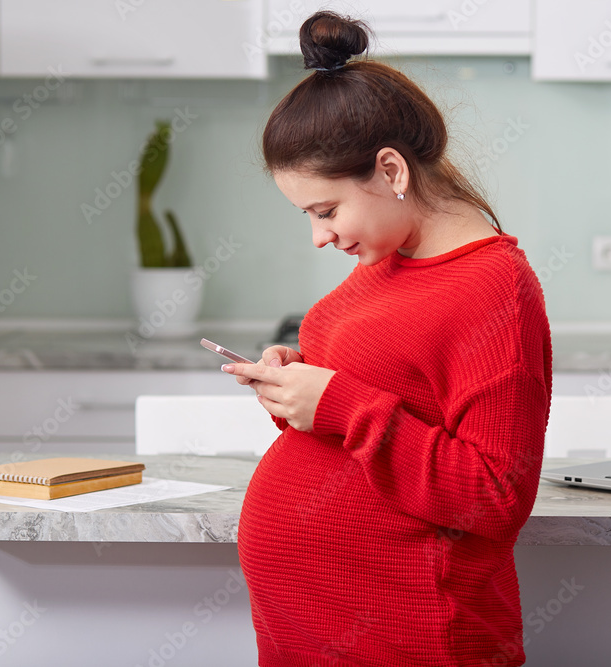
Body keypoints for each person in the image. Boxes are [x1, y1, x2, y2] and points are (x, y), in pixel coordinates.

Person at [223, 10, 552, 666]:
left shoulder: (495, 287)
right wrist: (296, 383)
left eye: (325, 210)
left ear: (391, 171)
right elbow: (378, 401)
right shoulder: (386, 260)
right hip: (314, 625)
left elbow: (496, 496)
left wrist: (337, 403)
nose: (319, 237)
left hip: (414, 632)